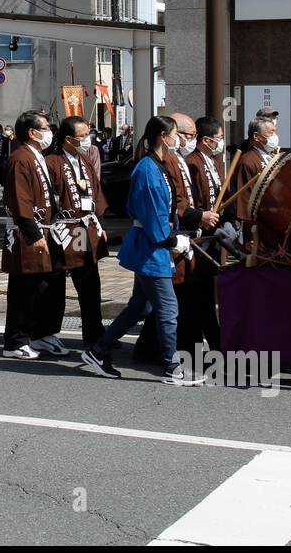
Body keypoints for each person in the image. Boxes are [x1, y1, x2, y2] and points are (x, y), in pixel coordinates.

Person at [80, 116, 203, 384]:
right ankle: (172, 367)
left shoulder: (157, 165)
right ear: (162, 135)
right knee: (169, 310)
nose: (179, 139)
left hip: (153, 244)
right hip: (151, 248)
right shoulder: (148, 169)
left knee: (140, 307)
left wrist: (176, 236)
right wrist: (172, 241)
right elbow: (152, 214)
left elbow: (163, 210)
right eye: (175, 134)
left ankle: (99, 350)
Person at [146, 113, 221, 363]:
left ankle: (169, 347)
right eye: (184, 135)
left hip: (188, 235)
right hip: (170, 238)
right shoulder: (159, 162)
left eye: (189, 136)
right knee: (172, 299)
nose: (187, 140)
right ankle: (174, 351)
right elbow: (173, 204)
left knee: (188, 296)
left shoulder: (179, 159)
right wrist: (198, 216)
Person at [0, 110, 68, 359]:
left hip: (47, 230)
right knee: (24, 288)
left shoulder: (37, 155)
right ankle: (15, 341)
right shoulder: (20, 158)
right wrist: (32, 233)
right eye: (46, 127)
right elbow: (20, 198)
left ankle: (42, 333)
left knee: (50, 282)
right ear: (32, 132)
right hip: (28, 232)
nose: (50, 132)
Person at [45, 116, 108, 349]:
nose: (87, 139)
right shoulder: (51, 162)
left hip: (84, 228)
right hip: (61, 229)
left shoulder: (84, 160)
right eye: (82, 136)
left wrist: (100, 225)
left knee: (90, 282)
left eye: (88, 134)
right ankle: (48, 332)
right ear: (68, 138)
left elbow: (96, 194)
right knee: (55, 283)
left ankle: (95, 332)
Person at [182, 115, 228, 352]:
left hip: (211, 235)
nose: (221, 143)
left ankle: (213, 342)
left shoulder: (214, 162)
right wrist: (201, 215)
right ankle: (208, 343)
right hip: (195, 236)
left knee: (205, 292)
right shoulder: (191, 162)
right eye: (219, 138)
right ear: (207, 140)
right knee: (196, 294)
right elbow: (186, 202)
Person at [231, 114, 280, 241]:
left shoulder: (271, 156)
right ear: (256, 137)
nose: (275, 137)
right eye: (271, 133)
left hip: (273, 217)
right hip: (257, 221)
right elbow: (245, 195)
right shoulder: (249, 160)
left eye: (275, 132)